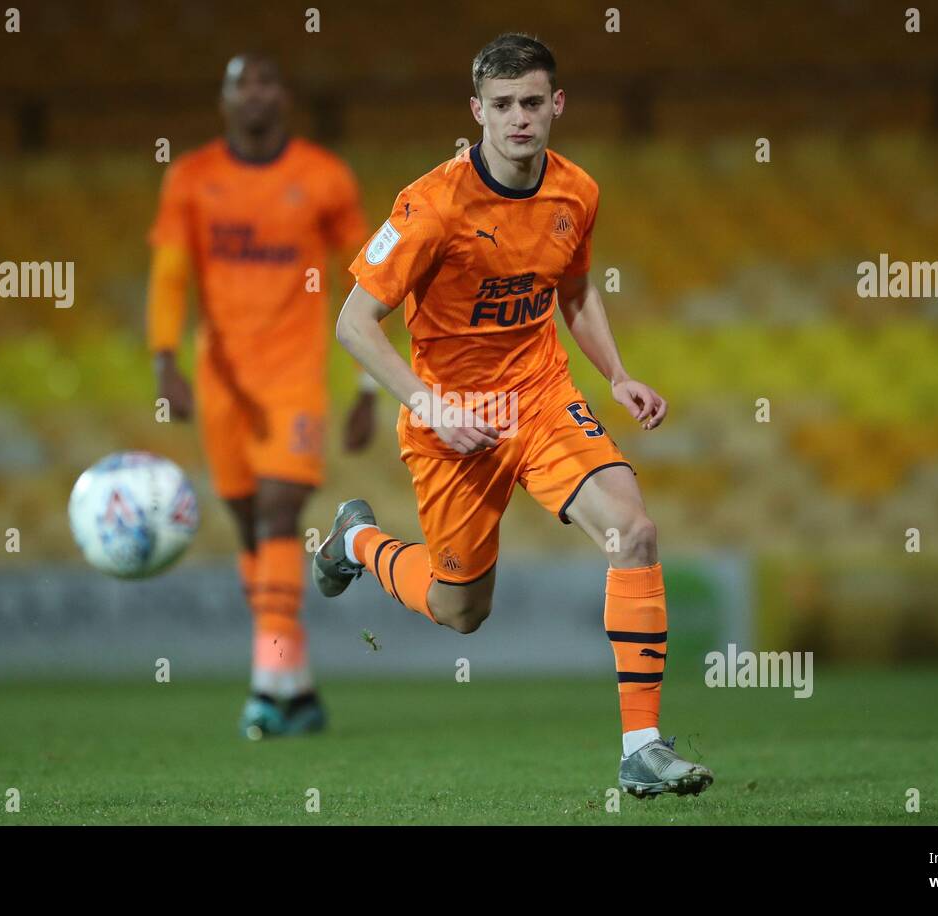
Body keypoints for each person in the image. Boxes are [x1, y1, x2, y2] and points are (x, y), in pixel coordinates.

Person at [313, 34, 712, 797]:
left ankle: (642, 746)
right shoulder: (430, 206)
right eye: (502, 106)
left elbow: (575, 291)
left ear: (556, 104)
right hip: (452, 423)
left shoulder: (577, 192)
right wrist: (430, 404)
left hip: (540, 398)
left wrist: (618, 374)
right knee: (460, 611)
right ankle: (357, 541)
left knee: (634, 530)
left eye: (533, 102)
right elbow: (353, 323)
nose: (519, 119)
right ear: (477, 112)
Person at [146, 52, 373, 738]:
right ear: (224, 101)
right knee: (250, 528)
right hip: (222, 382)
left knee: (279, 513)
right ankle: (296, 685)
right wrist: (164, 359)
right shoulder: (191, 178)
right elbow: (169, 274)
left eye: (268, 81)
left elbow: (371, 275)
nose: (255, 95)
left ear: (286, 96)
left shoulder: (324, 177)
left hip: (294, 378)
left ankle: (265, 688)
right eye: (242, 83)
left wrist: (369, 384)